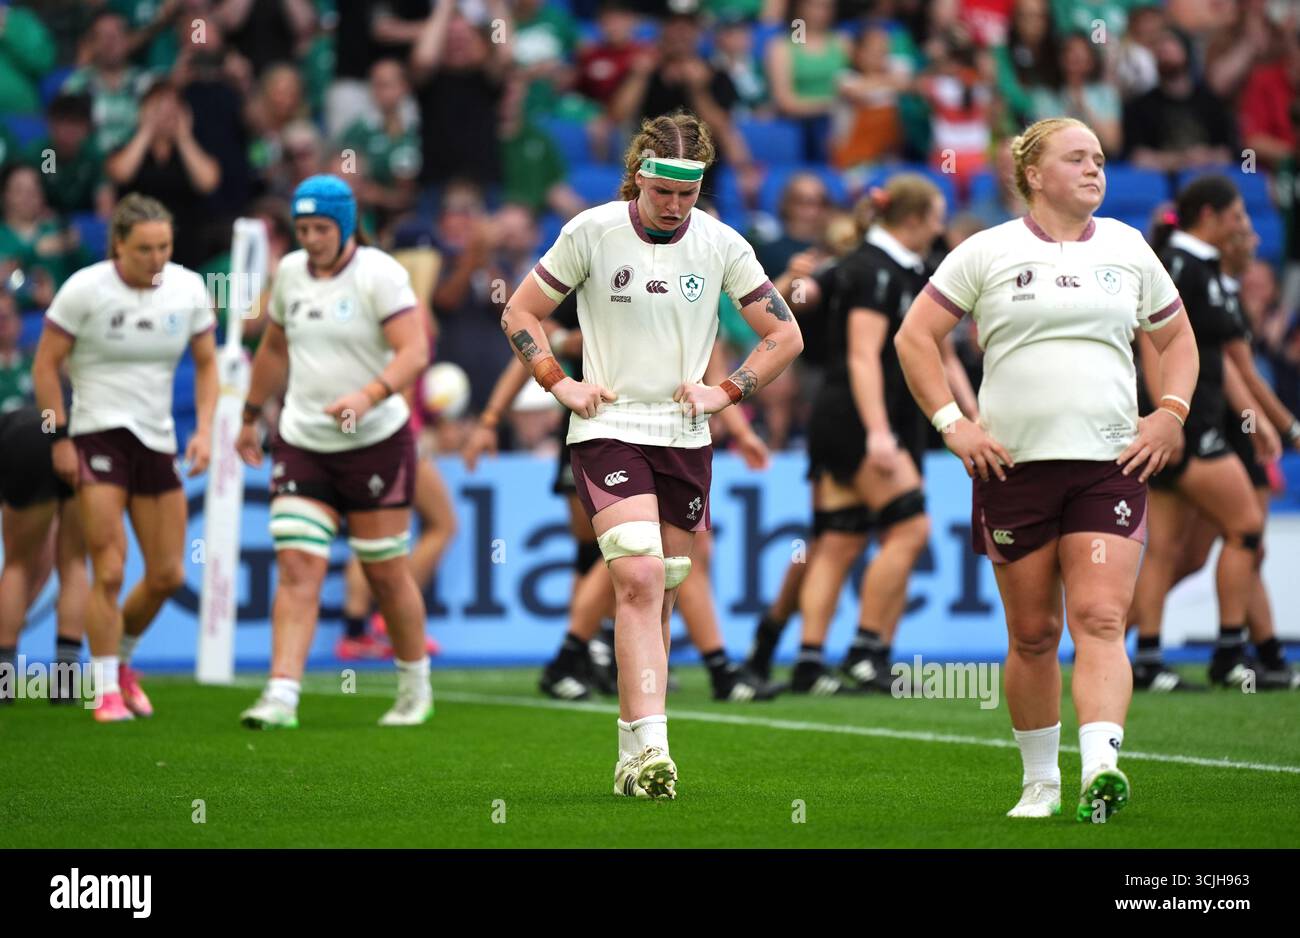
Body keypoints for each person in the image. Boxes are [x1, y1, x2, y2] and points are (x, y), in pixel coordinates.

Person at [895, 117, 1198, 822]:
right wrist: (952, 424)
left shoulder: (1128, 246)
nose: (1095, 169)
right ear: (1034, 174)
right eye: (1077, 158)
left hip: (1109, 465)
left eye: (1099, 158)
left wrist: (1172, 412)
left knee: (1099, 616)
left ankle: (1101, 767)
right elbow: (916, 338)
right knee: (1032, 633)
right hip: (1013, 471)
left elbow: (1176, 336)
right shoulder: (987, 251)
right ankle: (1040, 782)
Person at [498, 111, 803, 799]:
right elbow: (519, 314)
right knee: (637, 576)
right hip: (609, 428)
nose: (673, 207)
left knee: (661, 587)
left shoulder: (723, 243)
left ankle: (633, 756)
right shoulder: (592, 231)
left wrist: (727, 393)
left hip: (685, 435)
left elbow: (784, 336)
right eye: (662, 192)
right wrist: (561, 384)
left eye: (687, 194)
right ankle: (658, 750)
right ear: (639, 176)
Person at [236, 175, 434, 729]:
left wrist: (368, 396)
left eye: (321, 227)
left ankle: (414, 685)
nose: (312, 239)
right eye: (302, 229)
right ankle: (281, 695)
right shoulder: (291, 274)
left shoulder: (381, 274)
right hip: (303, 441)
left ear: (344, 225)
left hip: (375, 442)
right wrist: (250, 416)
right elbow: (274, 348)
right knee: (298, 565)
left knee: (384, 572)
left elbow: (414, 351)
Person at [31, 193, 219, 722]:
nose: (157, 259)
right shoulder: (84, 290)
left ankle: (124, 663)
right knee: (109, 570)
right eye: (144, 249)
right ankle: (104, 687)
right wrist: (59, 437)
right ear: (118, 245)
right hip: (96, 437)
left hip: (156, 441)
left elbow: (207, 365)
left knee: (166, 575)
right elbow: (46, 367)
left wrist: (204, 430)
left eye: (164, 247)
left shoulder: (188, 288)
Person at [787, 176, 977, 695]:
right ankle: (866, 651)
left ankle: (809, 660)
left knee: (840, 540)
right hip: (857, 417)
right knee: (910, 529)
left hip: (865, 416)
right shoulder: (873, 271)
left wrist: (972, 413)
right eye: (937, 215)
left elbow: (941, 352)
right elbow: (861, 354)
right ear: (913, 219)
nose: (941, 226)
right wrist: (877, 433)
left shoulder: (908, 271)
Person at [1130, 177, 1294, 691]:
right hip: (1190, 426)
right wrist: (1166, 415)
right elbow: (1149, 342)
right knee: (1245, 529)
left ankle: (1149, 657)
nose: (1244, 225)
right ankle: (1230, 655)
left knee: (1165, 548)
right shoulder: (1186, 267)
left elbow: (1222, 362)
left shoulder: (1192, 266)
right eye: (1237, 215)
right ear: (1211, 214)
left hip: (1180, 425)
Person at [0, 406, 89, 705]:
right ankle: (65, 686)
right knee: (75, 562)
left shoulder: (16, 428)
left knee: (16, 565)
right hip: (79, 440)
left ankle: (3, 685)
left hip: (28, 443)